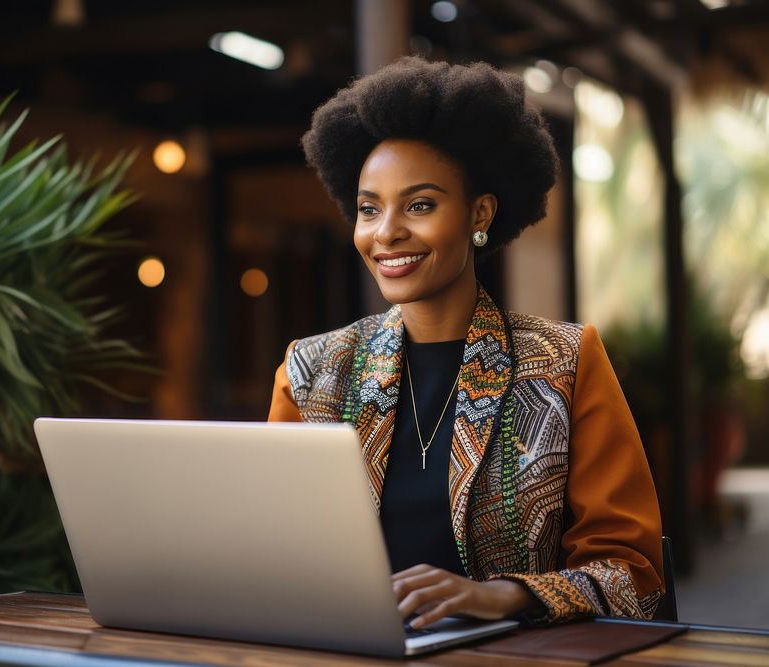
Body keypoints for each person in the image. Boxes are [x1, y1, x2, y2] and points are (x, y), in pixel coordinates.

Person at [268, 57, 663, 627]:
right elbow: (274, 550)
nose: (387, 232)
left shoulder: (566, 361)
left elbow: (634, 575)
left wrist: (506, 596)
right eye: (369, 209)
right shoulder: (310, 372)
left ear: (480, 213)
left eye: (420, 205)